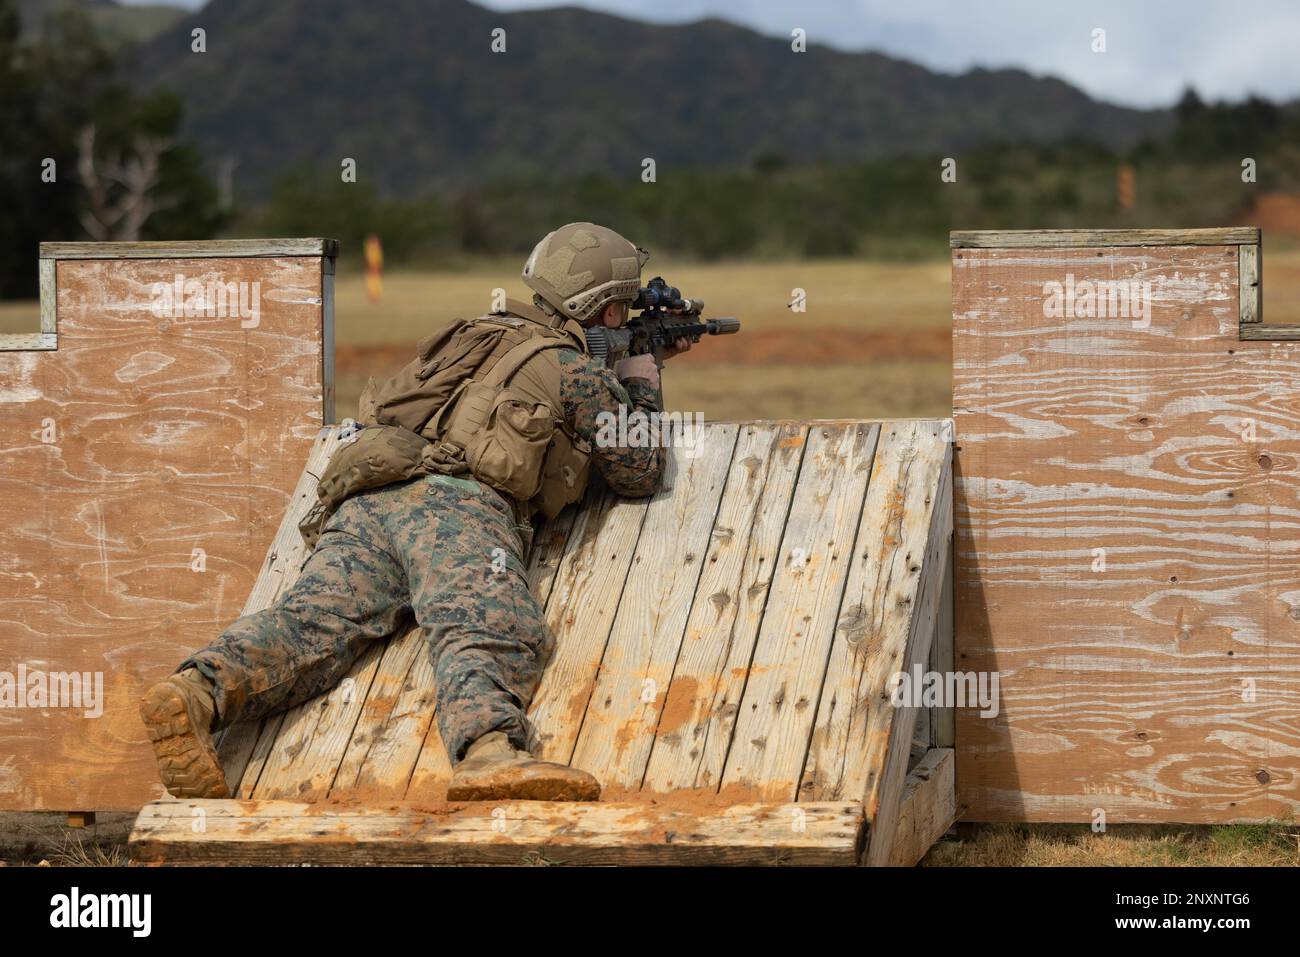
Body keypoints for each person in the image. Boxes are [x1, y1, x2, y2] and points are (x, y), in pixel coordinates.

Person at [138, 223, 689, 802]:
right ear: (605, 312)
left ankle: (198, 692)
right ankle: (489, 754)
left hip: (371, 498)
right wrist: (644, 382)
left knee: (311, 623)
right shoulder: (575, 370)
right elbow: (638, 474)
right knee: (487, 626)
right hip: (458, 507)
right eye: (621, 309)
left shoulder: (469, 334)